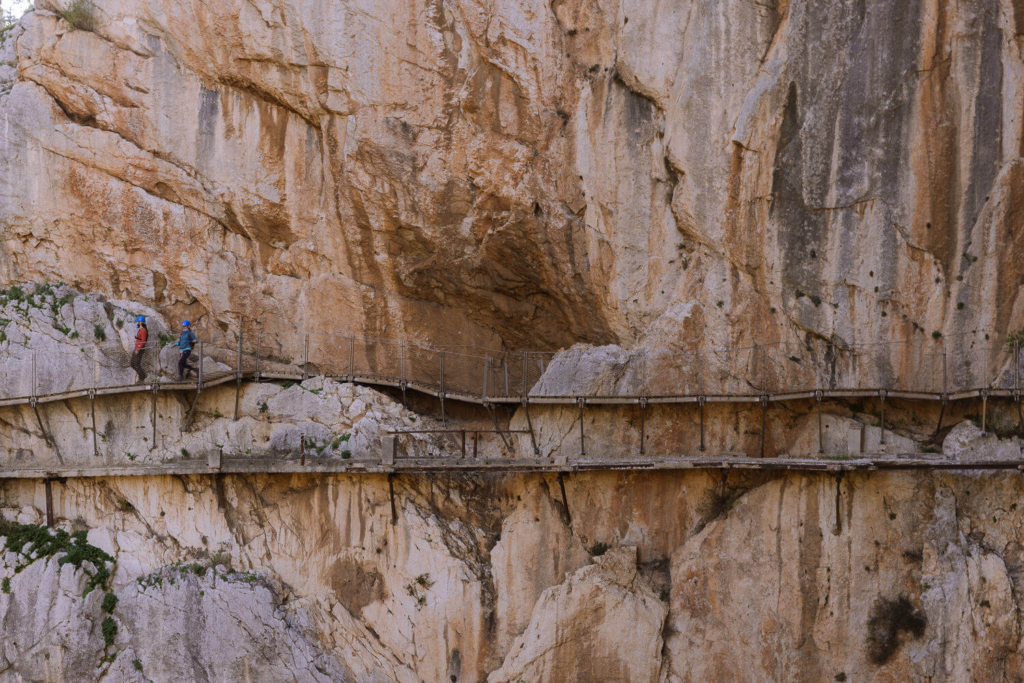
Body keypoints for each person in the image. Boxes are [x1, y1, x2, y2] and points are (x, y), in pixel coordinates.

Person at [130, 316, 148, 383]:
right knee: (132, 363)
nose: (136, 323)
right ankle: (142, 375)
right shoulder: (140, 330)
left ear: (140, 322)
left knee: (136, 364)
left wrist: (138, 349)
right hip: (136, 348)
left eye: (137, 321)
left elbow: (143, 341)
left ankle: (142, 378)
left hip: (139, 349)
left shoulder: (143, 330)